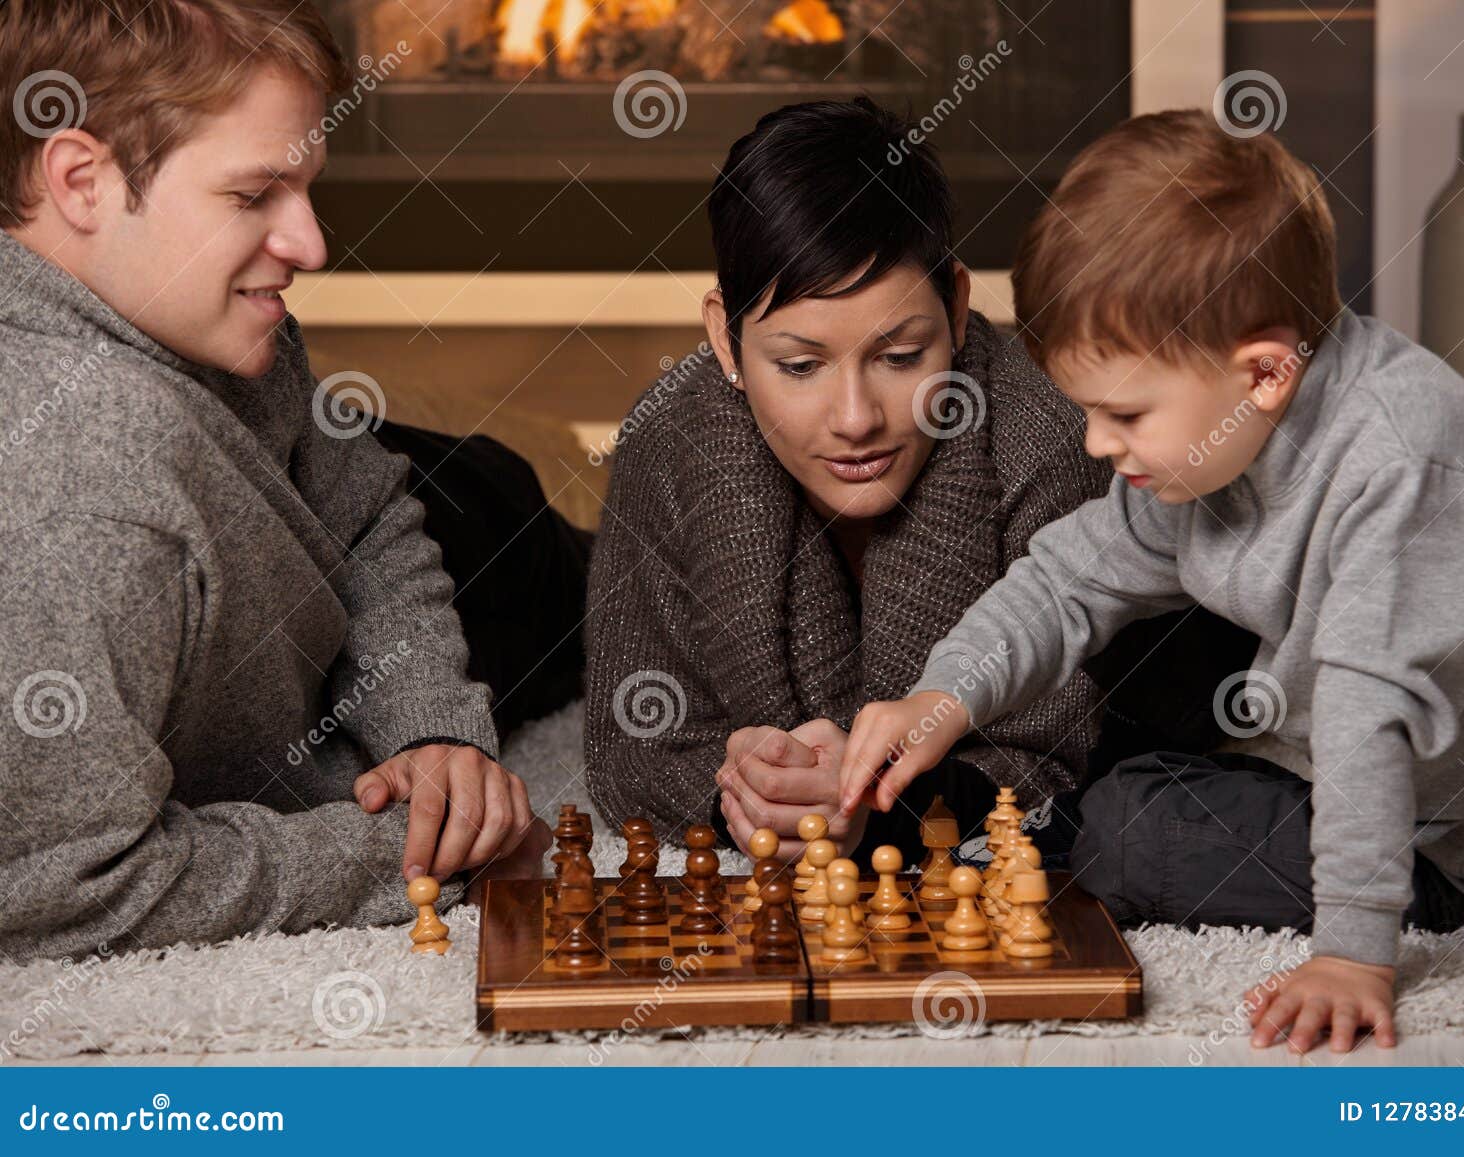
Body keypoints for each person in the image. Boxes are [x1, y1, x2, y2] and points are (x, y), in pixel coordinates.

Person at [838, 109, 1464, 1053]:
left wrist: (1354, 952)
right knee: (1136, 750)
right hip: (1347, 769)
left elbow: (1370, 721)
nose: (1095, 444)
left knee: (1130, 832)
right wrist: (943, 695)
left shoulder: (1406, 470)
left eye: (1122, 412)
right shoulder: (1223, 435)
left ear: (1265, 371)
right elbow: (1069, 576)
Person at [0, 0, 550, 962]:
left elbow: (372, 505)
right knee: (556, 557)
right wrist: (415, 851)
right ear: (81, 179)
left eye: (304, 188)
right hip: (295, 595)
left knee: (509, 495)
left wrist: (430, 726)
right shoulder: (86, 487)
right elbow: (57, 889)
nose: (311, 244)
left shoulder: (171, 303)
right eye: (254, 196)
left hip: (387, 538)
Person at [582, 98, 1255, 865]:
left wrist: (884, 808)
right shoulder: (668, 438)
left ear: (959, 307)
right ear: (723, 338)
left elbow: (1062, 761)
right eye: (800, 367)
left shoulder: (1050, 434)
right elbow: (625, 745)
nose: (855, 418)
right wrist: (745, 792)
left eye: (900, 356)